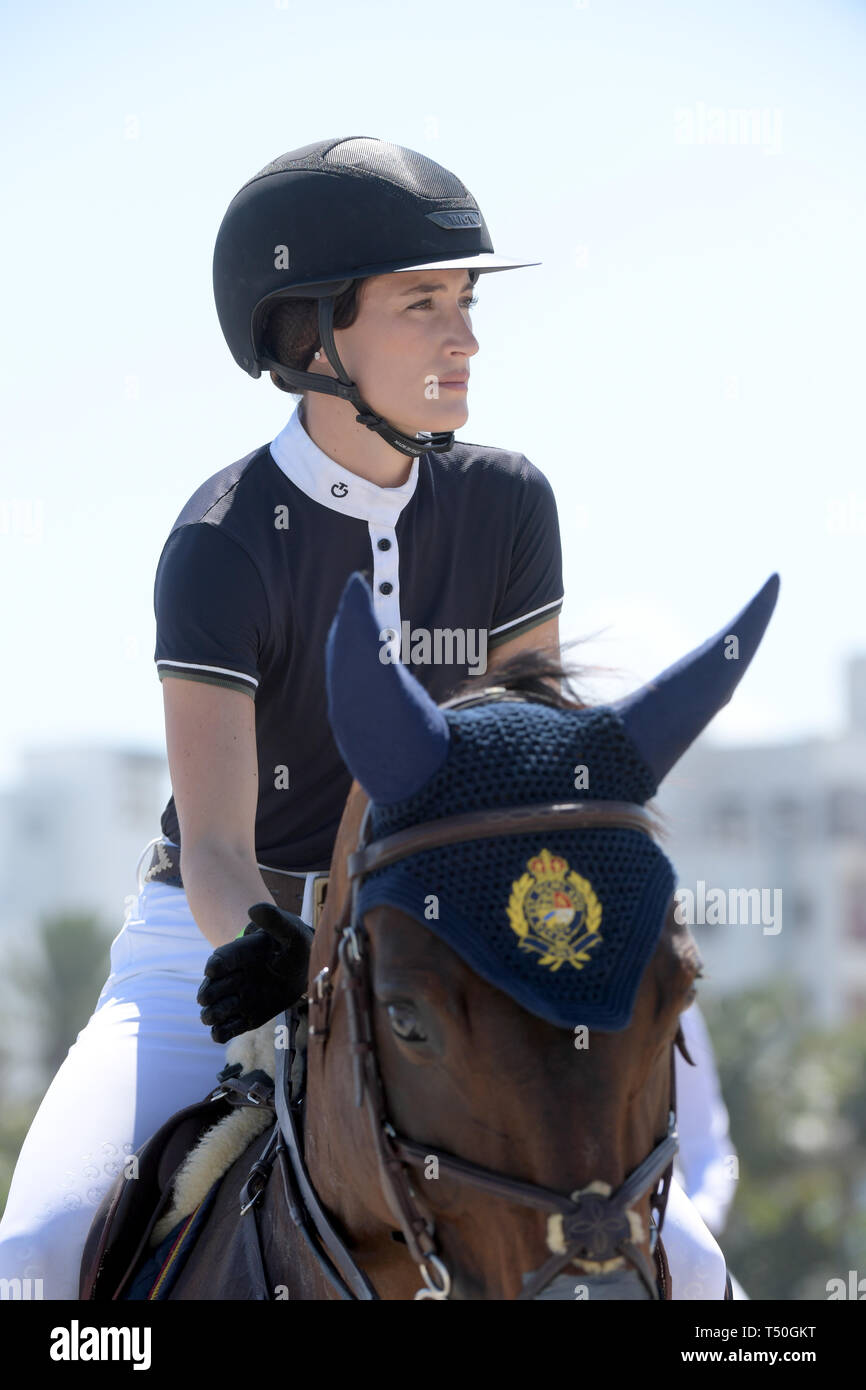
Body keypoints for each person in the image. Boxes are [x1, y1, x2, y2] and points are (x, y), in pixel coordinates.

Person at [0, 135, 726, 1301]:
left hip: (447, 943)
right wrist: (273, 951)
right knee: (36, 1252)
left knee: (686, 1263)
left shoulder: (507, 502)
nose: (466, 337)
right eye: (423, 303)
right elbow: (222, 845)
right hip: (225, 941)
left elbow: (530, 780)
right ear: (311, 335)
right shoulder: (219, 542)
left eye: (467, 302)